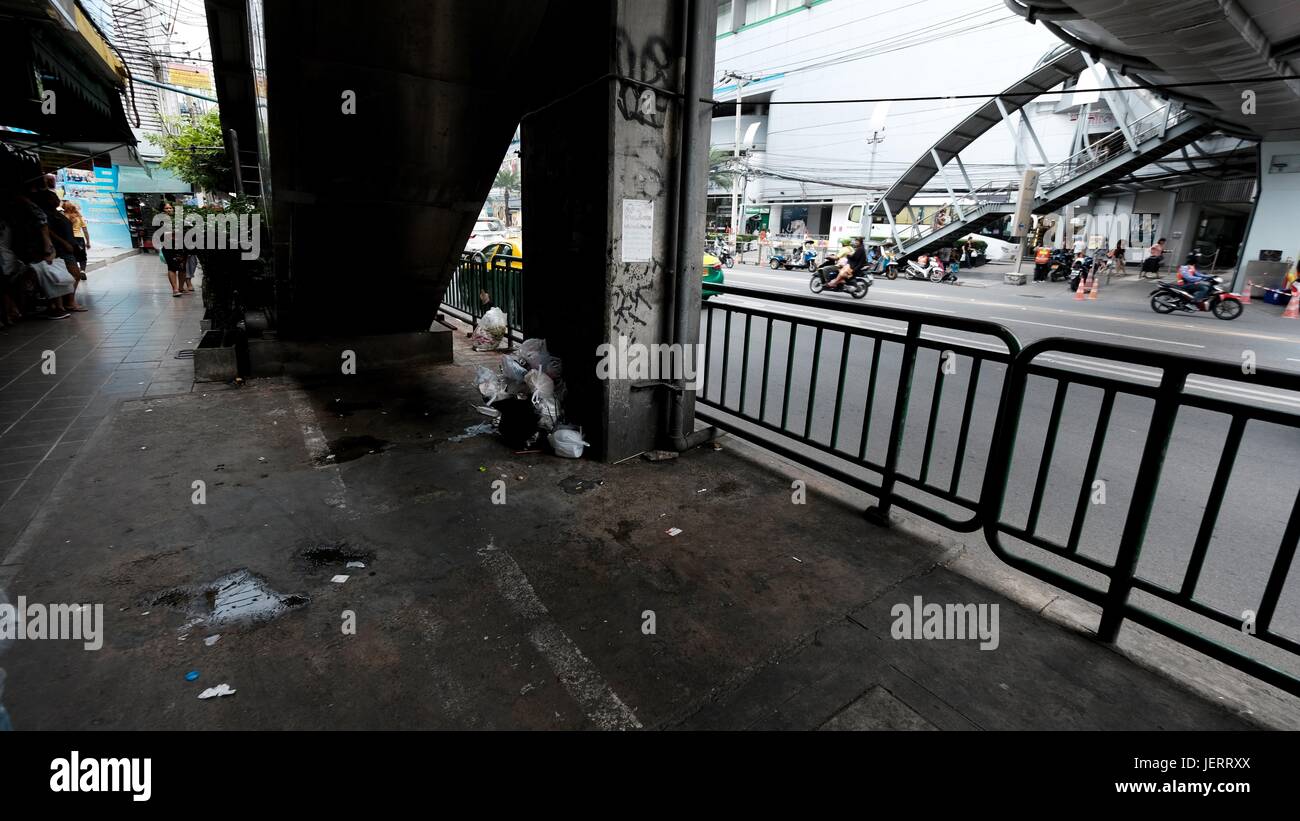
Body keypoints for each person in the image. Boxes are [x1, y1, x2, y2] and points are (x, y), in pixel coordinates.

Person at [33, 189, 86, 312]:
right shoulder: (46, 215)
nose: (57, 200)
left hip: (67, 247)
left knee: (71, 275)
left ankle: (65, 302)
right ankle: (68, 302)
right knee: (74, 275)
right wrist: (63, 243)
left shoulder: (55, 213)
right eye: (53, 198)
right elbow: (48, 231)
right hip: (61, 249)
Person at [158, 202, 186, 297]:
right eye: (167, 208)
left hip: (180, 246)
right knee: (172, 267)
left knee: (182, 268)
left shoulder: (179, 219)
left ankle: (181, 288)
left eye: (170, 208)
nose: (169, 210)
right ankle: (175, 289)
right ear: (163, 210)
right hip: (168, 246)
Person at [62, 200, 89, 274]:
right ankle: (82, 271)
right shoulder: (79, 217)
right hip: (79, 239)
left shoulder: (63, 216)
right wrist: (88, 242)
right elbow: (85, 230)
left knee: (71, 256)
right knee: (82, 256)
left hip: (68, 239)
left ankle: (74, 271)